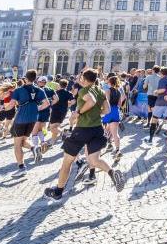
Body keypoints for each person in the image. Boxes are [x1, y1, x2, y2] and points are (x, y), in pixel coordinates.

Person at [43, 69, 127, 199]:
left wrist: (79, 113)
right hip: (97, 129)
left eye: (80, 77)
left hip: (82, 129)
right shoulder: (100, 91)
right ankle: (113, 173)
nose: (79, 79)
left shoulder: (84, 90)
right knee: (94, 160)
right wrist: (95, 114)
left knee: (67, 161)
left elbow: (91, 101)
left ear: (84, 79)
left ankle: (58, 191)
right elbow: (107, 109)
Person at [5, 71, 48, 177]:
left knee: (17, 145)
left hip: (21, 119)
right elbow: (47, 103)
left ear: (25, 78)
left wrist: (3, 109)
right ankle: (34, 148)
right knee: (23, 141)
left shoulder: (19, 90)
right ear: (35, 79)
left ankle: (22, 167)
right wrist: (38, 108)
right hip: (33, 119)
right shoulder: (39, 90)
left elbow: (11, 105)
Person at [102, 75, 125, 164]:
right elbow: (120, 104)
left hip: (109, 110)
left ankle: (112, 146)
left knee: (107, 129)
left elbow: (106, 102)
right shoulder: (118, 91)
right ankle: (116, 149)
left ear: (110, 82)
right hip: (115, 111)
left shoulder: (107, 91)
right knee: (114, 132)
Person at [47, 78, 72, 147]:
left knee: (52, 128)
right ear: (66, 86)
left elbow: (52, 101)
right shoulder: (68, 93)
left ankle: (63, 132)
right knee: (56, 127)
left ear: (59, 85)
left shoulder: (56, 92)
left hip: (55, 111)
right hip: (63, 111)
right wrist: (68, 104)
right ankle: (51, 143)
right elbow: (73, 101)